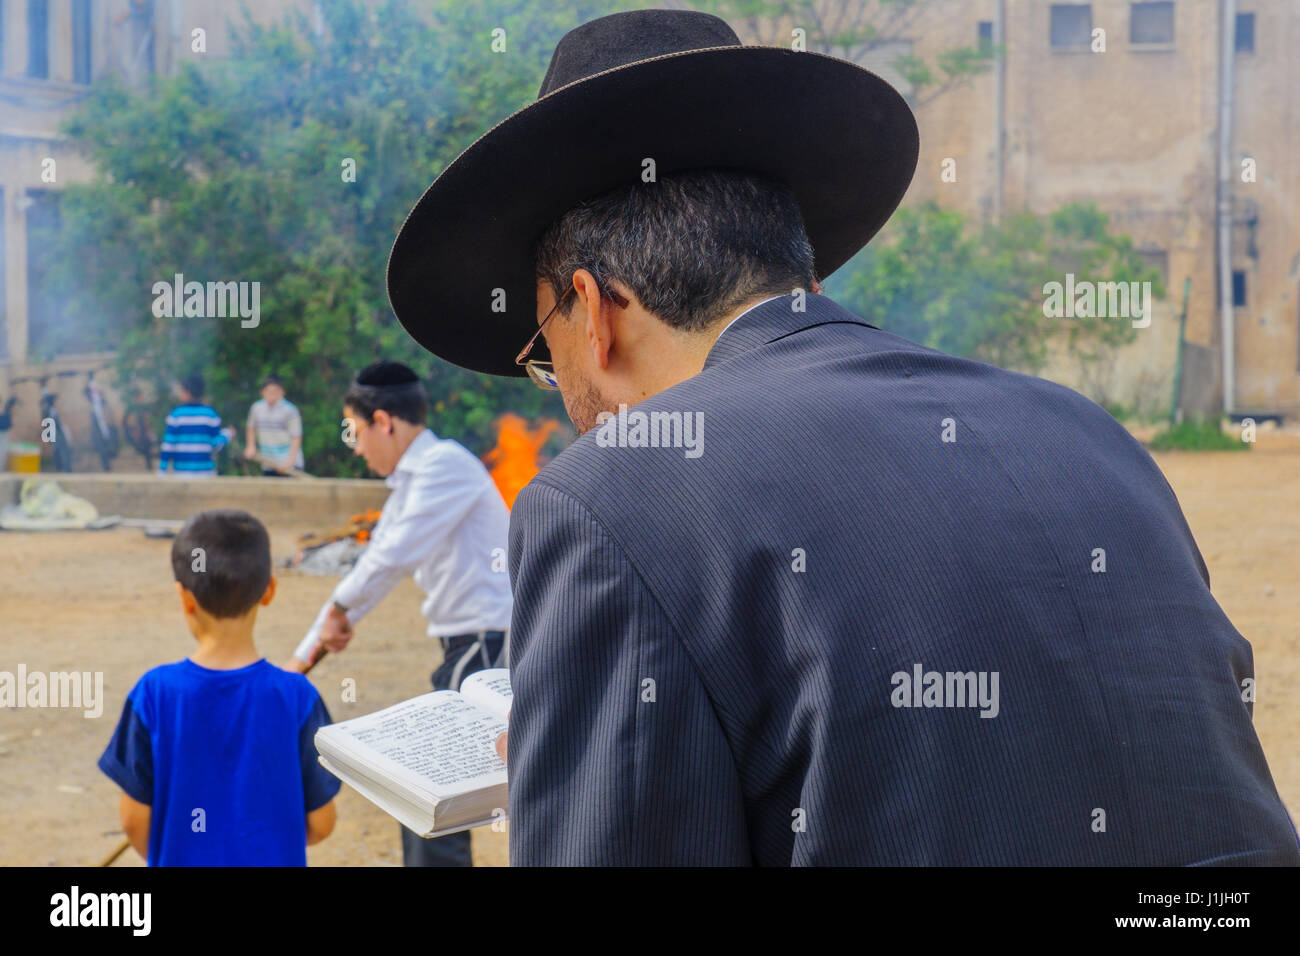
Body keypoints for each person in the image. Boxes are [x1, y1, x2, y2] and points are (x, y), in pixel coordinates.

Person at [385, 9, 1300, 865]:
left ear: (591, 311)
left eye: (543, 357)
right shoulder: (1089, 434)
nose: (561, 396)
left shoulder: (606, 501)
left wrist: (568, 788)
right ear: (800, 273)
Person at [284, 360, 513, 867]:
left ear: (383, 422)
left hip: (489, 645)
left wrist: (337, 613)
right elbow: (377, 564)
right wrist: (300, 660)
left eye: (355, 432)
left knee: (429, 792)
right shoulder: (415, 480)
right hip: (473, 645)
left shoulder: (444, 467)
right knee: (433, 793)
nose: (355, 447)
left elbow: (390, 558)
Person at [98, 509, 340, 865]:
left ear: (185, 597)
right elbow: (322, 822)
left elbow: (133, 821)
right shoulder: (298, 697)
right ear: (269, 590)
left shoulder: (153, 694)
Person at [157, 373, 231, 478]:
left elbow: (168, 445)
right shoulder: (210, 414)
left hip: (181, 474)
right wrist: (227, 434)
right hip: (206, 474)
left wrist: (162, 470)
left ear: (187, 392)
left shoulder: (176, 415)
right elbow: (215, 444)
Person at [245, 373, 305, 476]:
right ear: (262, 392)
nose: (272, 395)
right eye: (269, 391)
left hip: (289, 464)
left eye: (275, 391)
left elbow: (296, 437)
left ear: (282, 392)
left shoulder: (290, 410)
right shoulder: (257, 408)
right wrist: (251, 446)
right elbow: (251, 427)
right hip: (268, 462)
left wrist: (289, 462)